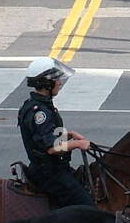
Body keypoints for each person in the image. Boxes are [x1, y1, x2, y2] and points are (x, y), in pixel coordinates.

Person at [18, 58, 94, 208]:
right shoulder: (40, 112)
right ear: (46, 84)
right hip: (49, 174)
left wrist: (69, 135)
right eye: (56, 79)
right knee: (87, 206)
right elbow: (51, 147)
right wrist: (78, 144)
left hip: (55, 169)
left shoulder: (41, 105)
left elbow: (46, 136)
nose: (60, 82)